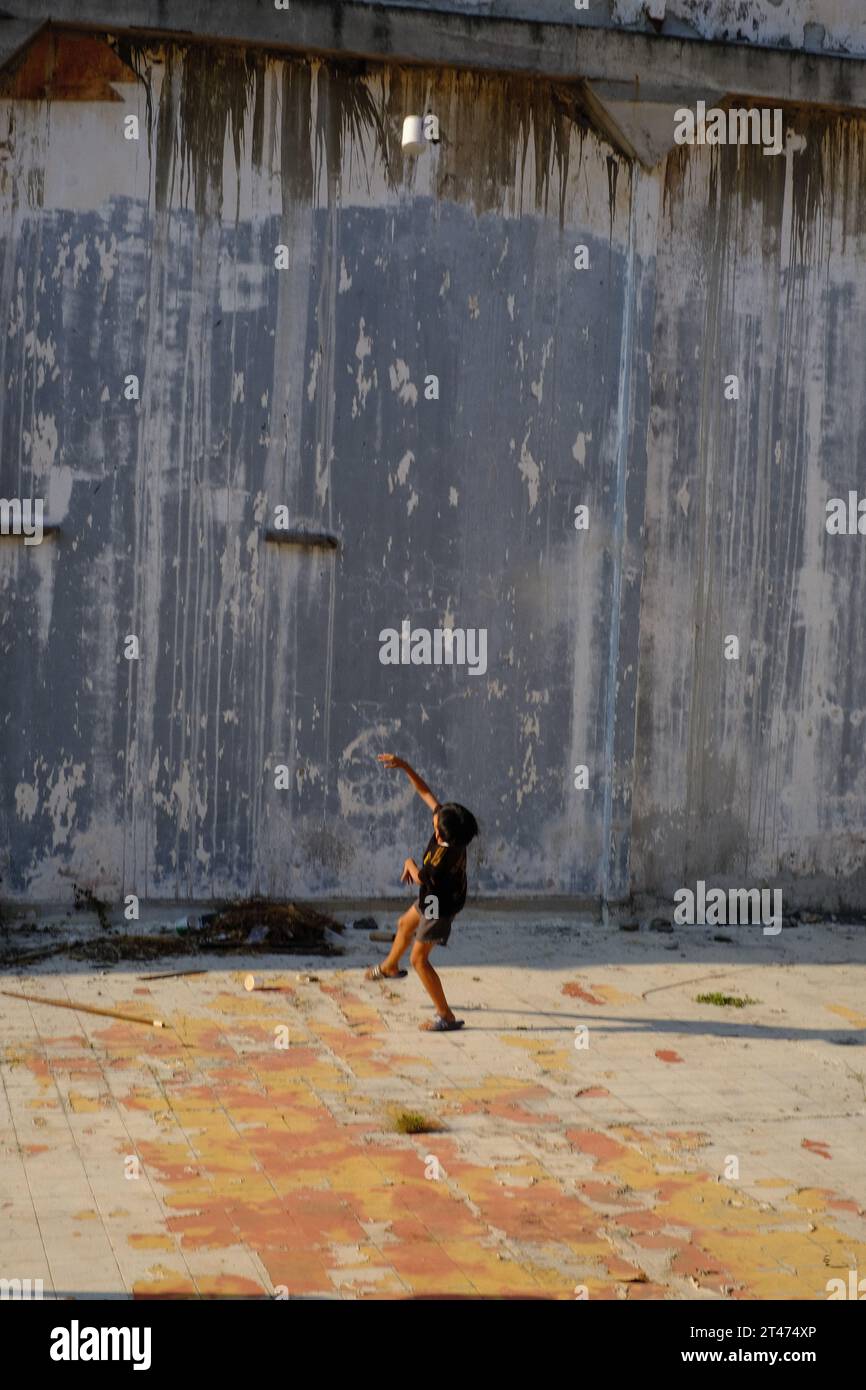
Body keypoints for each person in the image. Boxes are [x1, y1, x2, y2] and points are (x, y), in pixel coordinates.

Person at [365, 753, 478, 1032]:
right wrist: (404, 766)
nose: (434, 821)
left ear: (443, 836)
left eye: (437, 827)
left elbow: (419, 878)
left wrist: (408, 863)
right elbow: (425, 792)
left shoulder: (442, 859)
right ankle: (389, 967)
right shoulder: (452, 828)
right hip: (433, 896)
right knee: (405, 924)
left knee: (419, 959)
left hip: (439, 906)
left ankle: (446, 1016)